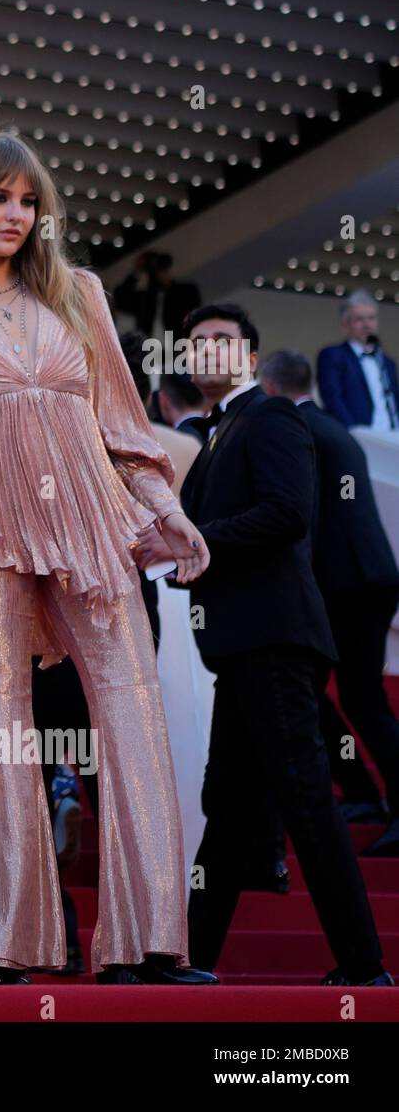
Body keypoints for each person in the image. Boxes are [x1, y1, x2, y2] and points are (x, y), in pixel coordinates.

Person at [0, 131, 216, 986]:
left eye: (28, 201)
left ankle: (148, 944)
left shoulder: (79, 295)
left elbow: (124, 426)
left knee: (132, 703)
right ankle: (8, 941)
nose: (15, 214)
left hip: (87, 518)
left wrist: (167, 509)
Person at [177, 306, 392, 986]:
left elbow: (287, 513)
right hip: (240, 647)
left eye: (223, 342)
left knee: (305, 800)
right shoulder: (214, 436)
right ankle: (193, 958)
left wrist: (194, 542)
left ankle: (364, 968)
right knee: (229, 809)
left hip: (275, 639)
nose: (208, 352)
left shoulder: (270, 418)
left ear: (249, 356)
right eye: (197, 344)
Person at [260, 349, 399, 857]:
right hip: (364, 578)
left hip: (347, 585)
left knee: (343, 697)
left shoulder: (299, 430)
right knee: (322, 695)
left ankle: (367, 794)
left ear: (270, 388)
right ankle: (361, 792)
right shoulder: (332, 426)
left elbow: (302, 516)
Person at [317, 291, 398, 431]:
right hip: (360, 438)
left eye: (371, 318)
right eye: (359, 319)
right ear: (345, 324)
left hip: (392, 438)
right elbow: (333, 400)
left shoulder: (388, 362)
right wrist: (353, 433)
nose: (367, 325)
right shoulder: (333, 356)